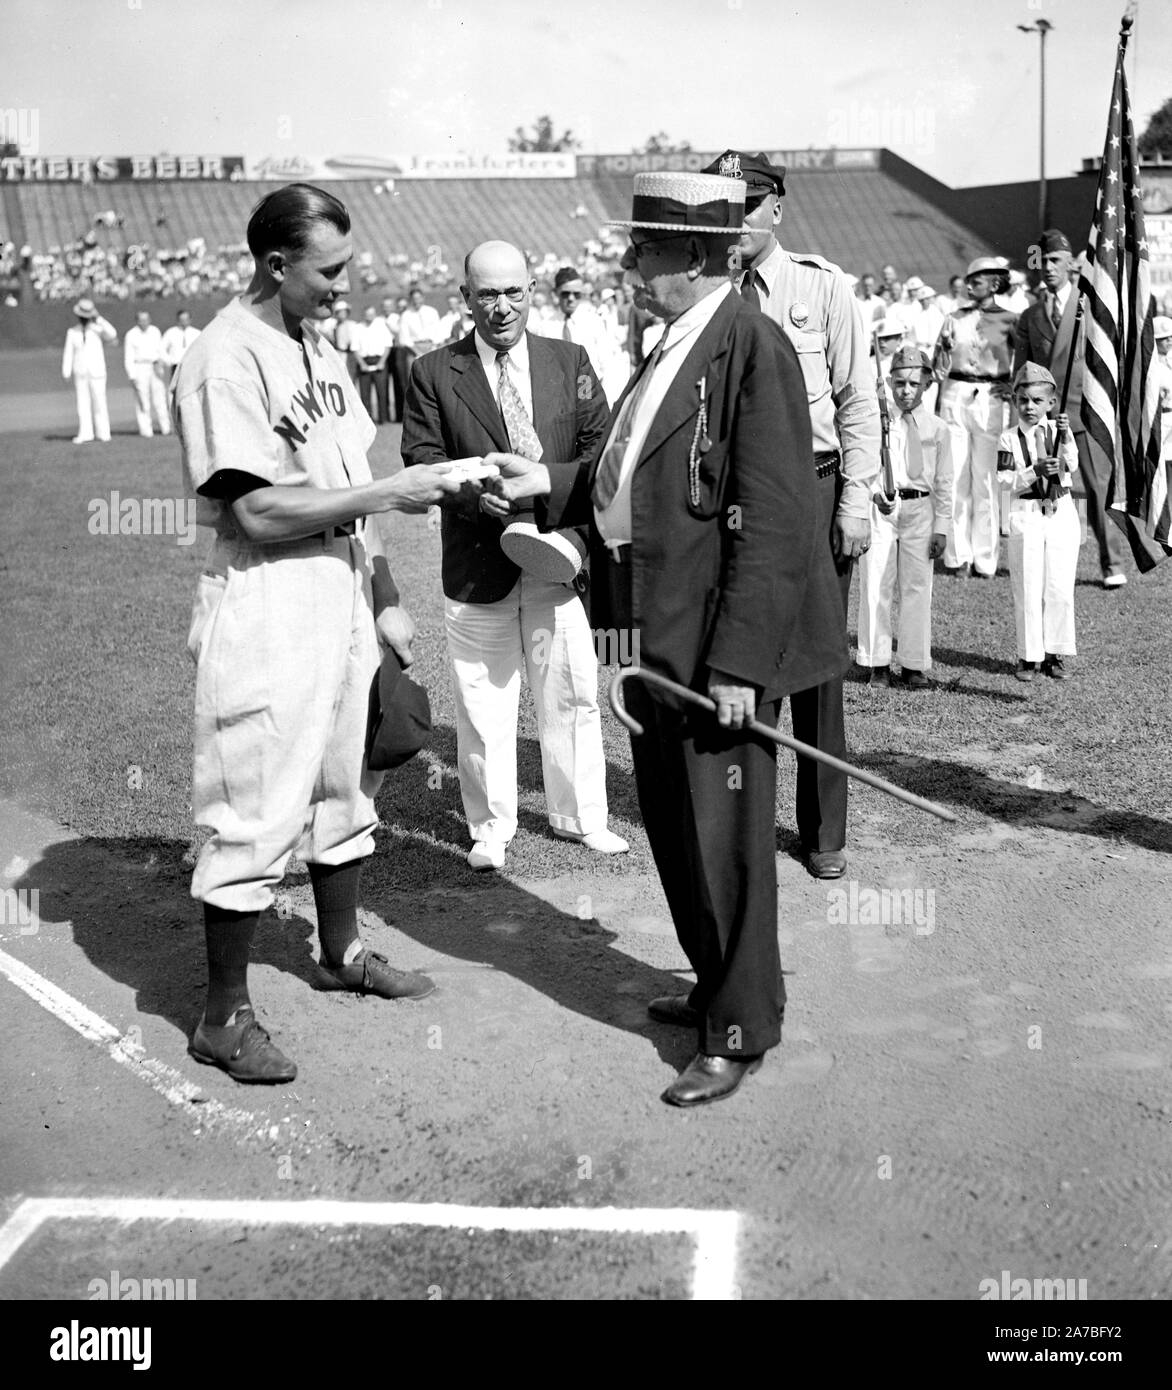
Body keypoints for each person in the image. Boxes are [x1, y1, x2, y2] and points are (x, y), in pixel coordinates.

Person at [486, 172, 848, 1107]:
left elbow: (776, 521)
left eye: (641, 249)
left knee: (720, 833)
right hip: (640, 625)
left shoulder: (752, 347)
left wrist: (737, 666)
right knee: (672, 823)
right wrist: (546, 482)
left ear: (693, 258)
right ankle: (714, 982)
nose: (627, 263)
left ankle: (740, 1027)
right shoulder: (674, 342)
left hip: (706, 646)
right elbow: (626, 475)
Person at [172, 183, 461, 1084]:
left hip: (338, 587)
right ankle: (222, 1015)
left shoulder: (323, 352)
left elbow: (345, 478)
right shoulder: (225, 357)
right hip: (268, 596)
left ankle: (340, 953)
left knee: (348, 777)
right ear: (276, 264)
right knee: (256, 795)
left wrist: (383, 592)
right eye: (329, 270)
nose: (345, 285)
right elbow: (255, 510)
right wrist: (388, 498)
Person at [401, 240, 628, 871]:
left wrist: (548, 496)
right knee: (482, 703)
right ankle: (491, 827)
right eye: (487, 294)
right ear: (466, 297)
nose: (501, 307)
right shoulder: (432, 372)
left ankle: (582, 818)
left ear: (533, 292)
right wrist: (479, 500)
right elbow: (419, 461)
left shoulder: (568, 360)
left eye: (514, 292)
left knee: (572, 692)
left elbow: (603, 454)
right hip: (478, 564)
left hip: (558, 558)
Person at [703, 148, 879, 882]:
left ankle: (824, 832)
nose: (733, 221)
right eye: (720, 207)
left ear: (775, 207)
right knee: (743, 658)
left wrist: (856, 499)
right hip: (732, 498)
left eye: (745, 205)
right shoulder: (705, 290)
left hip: (811, 488)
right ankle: (744, 820)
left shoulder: (822, 287)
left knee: (818, 670)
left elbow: (858, 400)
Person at [1014, 228, 1127, 589]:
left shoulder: (1089, 306)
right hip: (1044, 414)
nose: (1048, 268)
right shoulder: (1030, 315)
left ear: (1070, 265)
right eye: (1043, 261)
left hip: (1082, 410)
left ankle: (1112, 564)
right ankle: (1045, 557)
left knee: (1096, 486)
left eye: (1055, 261)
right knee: (1044, 486)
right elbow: (1023, 369)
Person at [856, 347, 952, 688]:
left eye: (913, 383)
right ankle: (877, 662)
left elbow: (944, 482)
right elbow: (864, 465)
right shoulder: (877, 421)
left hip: (920, 510)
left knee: (916, 587)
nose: (906, 390)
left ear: (927, 382)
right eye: (899, 383)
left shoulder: (938, 429)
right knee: (876, 584)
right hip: (883, 509)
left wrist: (942, 528)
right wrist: (873, 492)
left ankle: (913, 663)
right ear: (889, 382)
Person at [933, 256, 1018, 578]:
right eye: (969, 282)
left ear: (994, 284)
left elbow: (1021, 359)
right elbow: (937, 366)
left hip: (990, 397)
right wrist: (942, 349)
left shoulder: (1010, 319)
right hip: (955, 393)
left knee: (985, 479)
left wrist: (1011, 385)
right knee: (955, 476)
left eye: (977, 282)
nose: (969, 286)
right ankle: (957, 557)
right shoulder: (952, 317)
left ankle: (985, 559)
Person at [996, 362, 1079, 683]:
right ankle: (1028, 655)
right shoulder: (1008, 439)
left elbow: (1072, 463)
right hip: (1026, 513)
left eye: (1036, 401)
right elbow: (1004, 482)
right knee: (1028, 584)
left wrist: (1067, 436)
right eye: (1023, 400)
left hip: (1060, 508)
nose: (1029, 407)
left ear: (1051, 403)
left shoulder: (1058, 432)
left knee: (1058, 585)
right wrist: (1034, 471)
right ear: (1014, 401)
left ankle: (1054, 652)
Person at [62, 298, 117, 444]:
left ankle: (104, 433)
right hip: (80, 372)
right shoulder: (72, 332)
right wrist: (66, 371)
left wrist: (98, 318)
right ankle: (85, 433)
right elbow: (69, 352)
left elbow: (112, 334)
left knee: (100, 402)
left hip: (97, 372)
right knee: (82, 404)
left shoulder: (98, 329)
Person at [123, 308, 171, 438]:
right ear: (137, 321)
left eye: (146, 320)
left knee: (160, 398)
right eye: (141, 320)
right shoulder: (131, 335)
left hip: (155, 366)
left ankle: (166, 428)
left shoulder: (155, 331)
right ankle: (146, 431)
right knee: (142, 399)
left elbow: (160, 350)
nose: (144, 322)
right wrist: (131, 375)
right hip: (140, 367)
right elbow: (128, 357)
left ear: (149, 320)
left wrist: (166, 362)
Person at [350, 303, 393, 424]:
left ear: (375, 315)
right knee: (365, 393)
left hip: (380, 361)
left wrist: (382, 362)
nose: (370, 316)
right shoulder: (358, 328)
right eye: (367, 314)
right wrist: (362, 364)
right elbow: (355, 348)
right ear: (364, 315)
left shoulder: (382, 327)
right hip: (364, 362)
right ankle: (368, 420)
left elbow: (388, 346)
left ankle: (383, 418)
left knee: (382, 391)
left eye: (372, 314)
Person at [161, 308, 200, 383]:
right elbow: (161, 348)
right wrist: (169, 361)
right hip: (176, 366)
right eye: (182, 320)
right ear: (178, 320)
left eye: (186, 319)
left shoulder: (196, 333)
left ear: (190, 319)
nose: (184, 322)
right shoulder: (170, 332)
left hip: (192, 366)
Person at [1156, 316, 1172, 464]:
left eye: (1170, 337)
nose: (1169, 341)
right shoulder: (1153, 365)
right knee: (1162, 459)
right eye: (1164, 338)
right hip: (1162, 416)